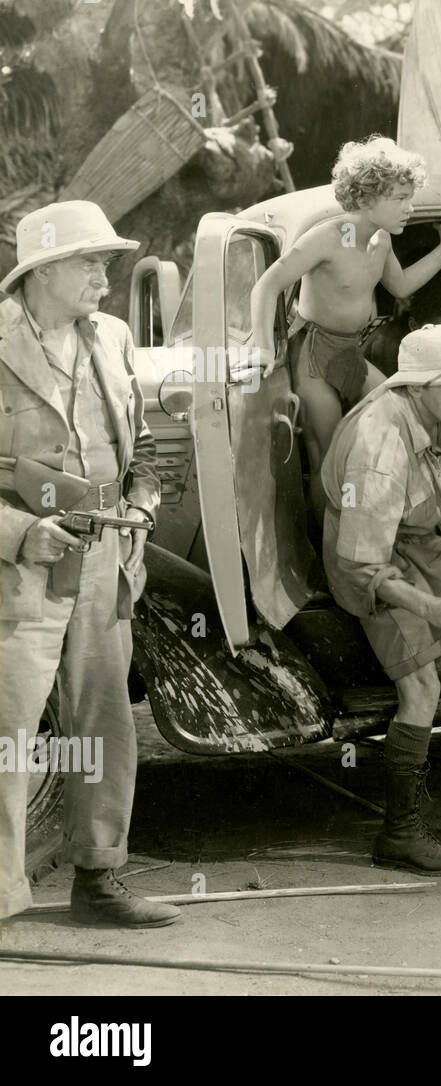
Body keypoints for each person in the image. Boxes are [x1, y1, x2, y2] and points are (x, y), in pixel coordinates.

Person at [251, 135, 441, 691]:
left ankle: (430, 522)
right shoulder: (329, 236)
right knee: (329, 452)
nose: (408, 207)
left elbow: (401, 285)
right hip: (318, 355)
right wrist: (258, 345)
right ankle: (338, 566)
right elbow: (269, 283)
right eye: (400, 197)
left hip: (355, 351)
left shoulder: (378, 242)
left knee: (416, 419)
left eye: (409, 196)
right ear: (365, 196)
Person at [0, 201, 179, 927]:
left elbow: (140, 444)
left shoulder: (112, 337)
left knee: (104, 723)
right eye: (90, 264)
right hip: (21, 575)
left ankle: (99, 879)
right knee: (10, 737)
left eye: (108, 265)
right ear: (42, 271)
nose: (104, 281)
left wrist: (142, 500)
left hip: (105, 563)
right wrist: (16, 531)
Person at [319, 323, 441, 875]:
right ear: (416, 388)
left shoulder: (427, 411)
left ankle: (432, 641)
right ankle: (400, 834)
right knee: (421, 693)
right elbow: (360, 568)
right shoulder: (381, 446)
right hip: (376, 565)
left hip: (417, 541)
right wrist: (430, 608)